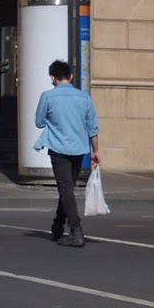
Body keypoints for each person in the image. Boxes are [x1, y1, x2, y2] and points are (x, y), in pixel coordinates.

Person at [34, 59, 101, 248]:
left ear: (52, 78)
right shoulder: (84, 97)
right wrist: (96, 150)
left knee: (66, 188)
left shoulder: (48, 96)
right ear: (71, 76)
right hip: (79, 149)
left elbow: (39, 122)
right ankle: (57, 225)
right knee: (67, 188)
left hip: (58, 149)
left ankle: (75, 230)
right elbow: (93, 128)